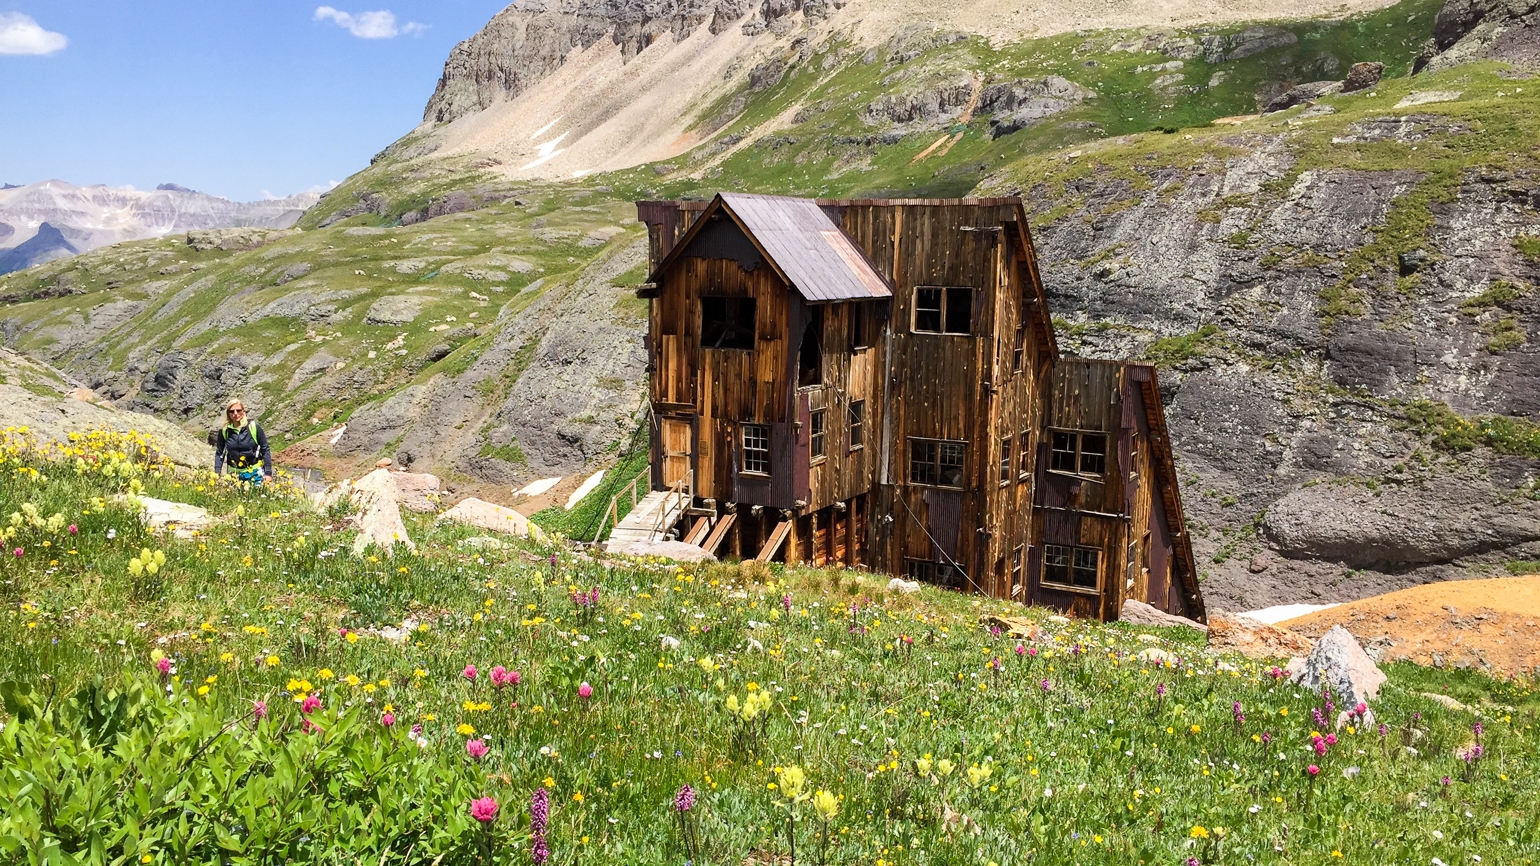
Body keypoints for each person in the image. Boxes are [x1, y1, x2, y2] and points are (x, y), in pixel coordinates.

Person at [214, 399, 271, 485]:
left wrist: (268, 473)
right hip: (234, 475)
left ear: (243, 411)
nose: (235, 413)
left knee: (256, 497)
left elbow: (265, 449)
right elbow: (219, 454)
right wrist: (217, 473)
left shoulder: (253, 427)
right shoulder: (224, 431)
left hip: (255, 473)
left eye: (238, 410)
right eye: (232, 411)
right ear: (228, 414)